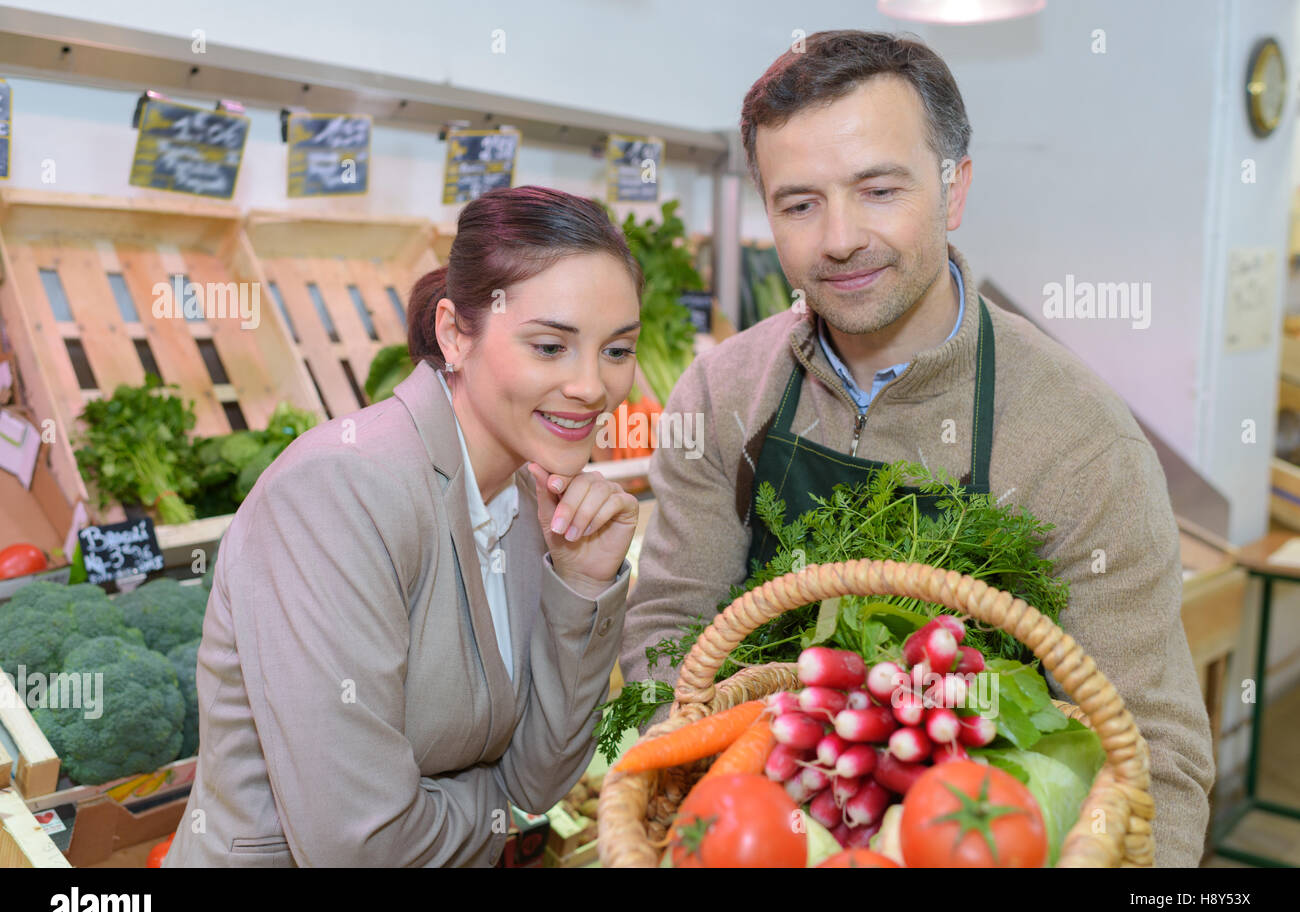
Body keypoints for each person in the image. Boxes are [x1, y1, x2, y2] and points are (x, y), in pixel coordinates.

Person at [620, 30, 1215, 867]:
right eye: (799, 204)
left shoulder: (1083, 441)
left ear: (954, 189)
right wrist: (691, 815)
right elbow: (671, 631)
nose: (838, 238)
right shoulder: (721, 396)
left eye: (877, 189)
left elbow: (1154, 756)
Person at [165, 185, 643, 867]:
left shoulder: (531, 501)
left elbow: (541, 778)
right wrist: (496, 807)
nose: (592, 386)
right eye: (550, 346)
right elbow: (356, 844)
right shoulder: (342, 491)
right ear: (455, 332)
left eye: (617, 351)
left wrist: (584, 584)